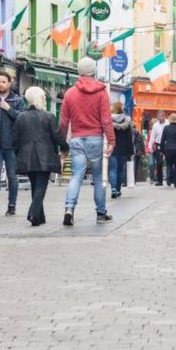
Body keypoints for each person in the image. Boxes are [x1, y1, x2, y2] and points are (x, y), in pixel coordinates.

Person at [60, 56, 115, 226]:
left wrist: (62, 143)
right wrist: (111, 140)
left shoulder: (70, 93)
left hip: (77, 139)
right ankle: (100, 213)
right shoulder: (101, 92)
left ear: (78, 71)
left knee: (76, 175)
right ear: (94, 71)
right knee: (98, 178)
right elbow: (106, 119)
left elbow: (63, 121)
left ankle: (69, 209)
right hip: (96, 139)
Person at [13, 87, 68, 226]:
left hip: (26, 156)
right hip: (45, 156)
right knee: (40, 187)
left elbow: (15, 139)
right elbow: (56, 136)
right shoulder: (48, 116)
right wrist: (64, 146)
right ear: (41, 98)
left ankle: (39, 218)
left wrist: (17, 153)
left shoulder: (20, 117)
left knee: (35, 186)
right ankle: (33, 212)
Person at [0, 73, 26, 218]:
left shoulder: (17, 100)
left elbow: (23, 119)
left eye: (3, 82)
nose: (0, 84)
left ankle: (12, 205)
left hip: (12, 145)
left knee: (12, 177)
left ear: (9, 83)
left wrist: (9, 109)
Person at [109, 102, 134, 199]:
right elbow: (129, 138)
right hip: (123, 149)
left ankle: (113, 188)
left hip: (112, 147)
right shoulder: (127, 121)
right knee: (120, 170)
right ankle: (118, 189)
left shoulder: (109, 120)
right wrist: (131, 152)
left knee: (112, 169)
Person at [148, 110, 167, 186]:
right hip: (158, 144)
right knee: (159, 163)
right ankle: (160, 180)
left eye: (161, 116)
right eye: (158, 116)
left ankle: (170, 178)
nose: (159, 118)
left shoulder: (168, 123)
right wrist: (150, 146)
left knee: (169, 162)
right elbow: (152, 136)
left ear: (164, 116)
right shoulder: (155, 125)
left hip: (167, 144)